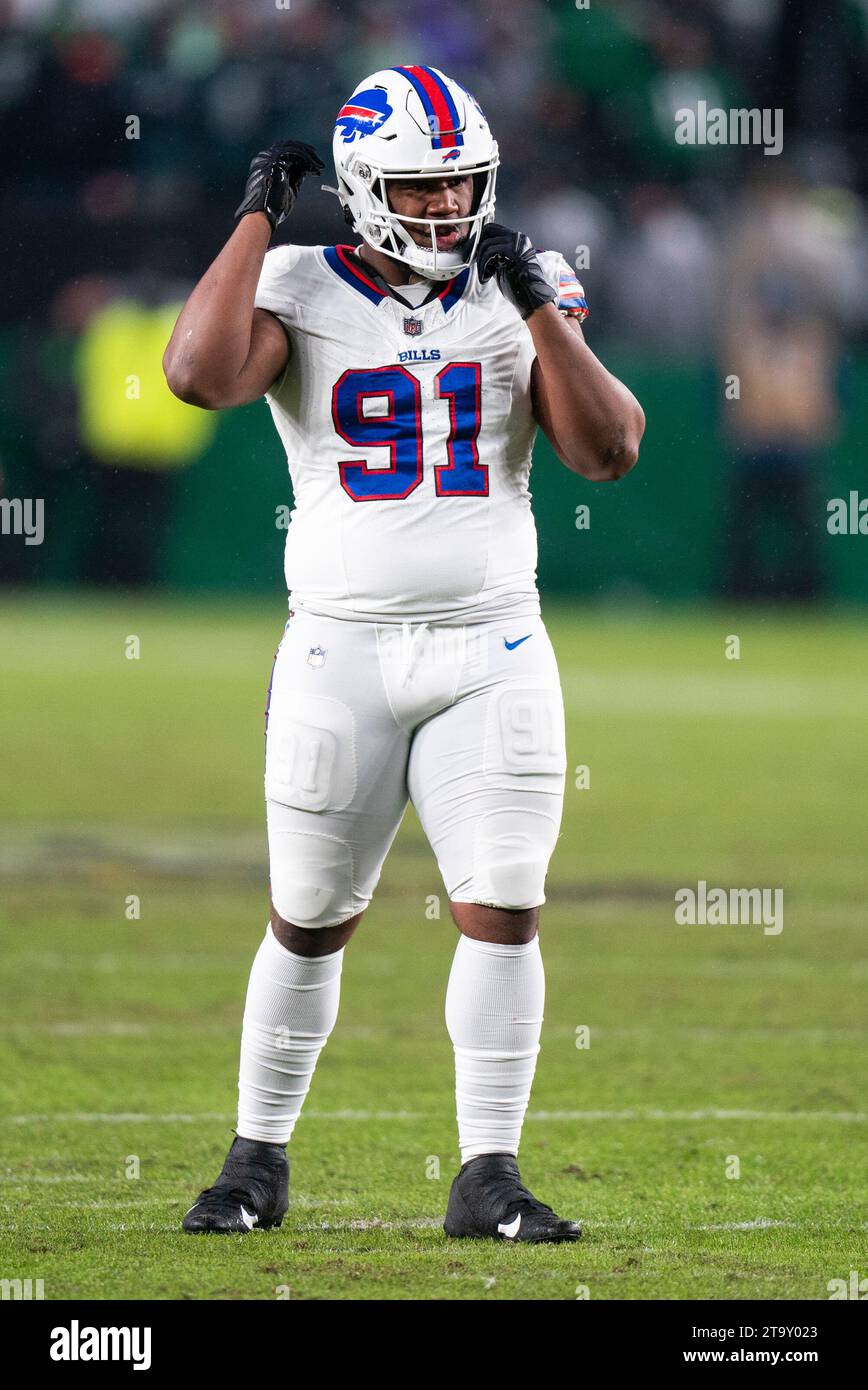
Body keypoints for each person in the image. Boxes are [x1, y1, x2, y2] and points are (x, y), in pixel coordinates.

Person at [164, 65, 644, 1243]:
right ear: (369, 191)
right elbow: (197, 375)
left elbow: (607, 450)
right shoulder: (293, 280)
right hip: (341, 648)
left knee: (505, 904)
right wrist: (256, 214)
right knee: (310, 915)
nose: (450, 213)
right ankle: (253, 1161)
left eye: (463, 187)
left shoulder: (519, 288)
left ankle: (489, 1172)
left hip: (492, 645)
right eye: (424, 192)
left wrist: (537, 306)